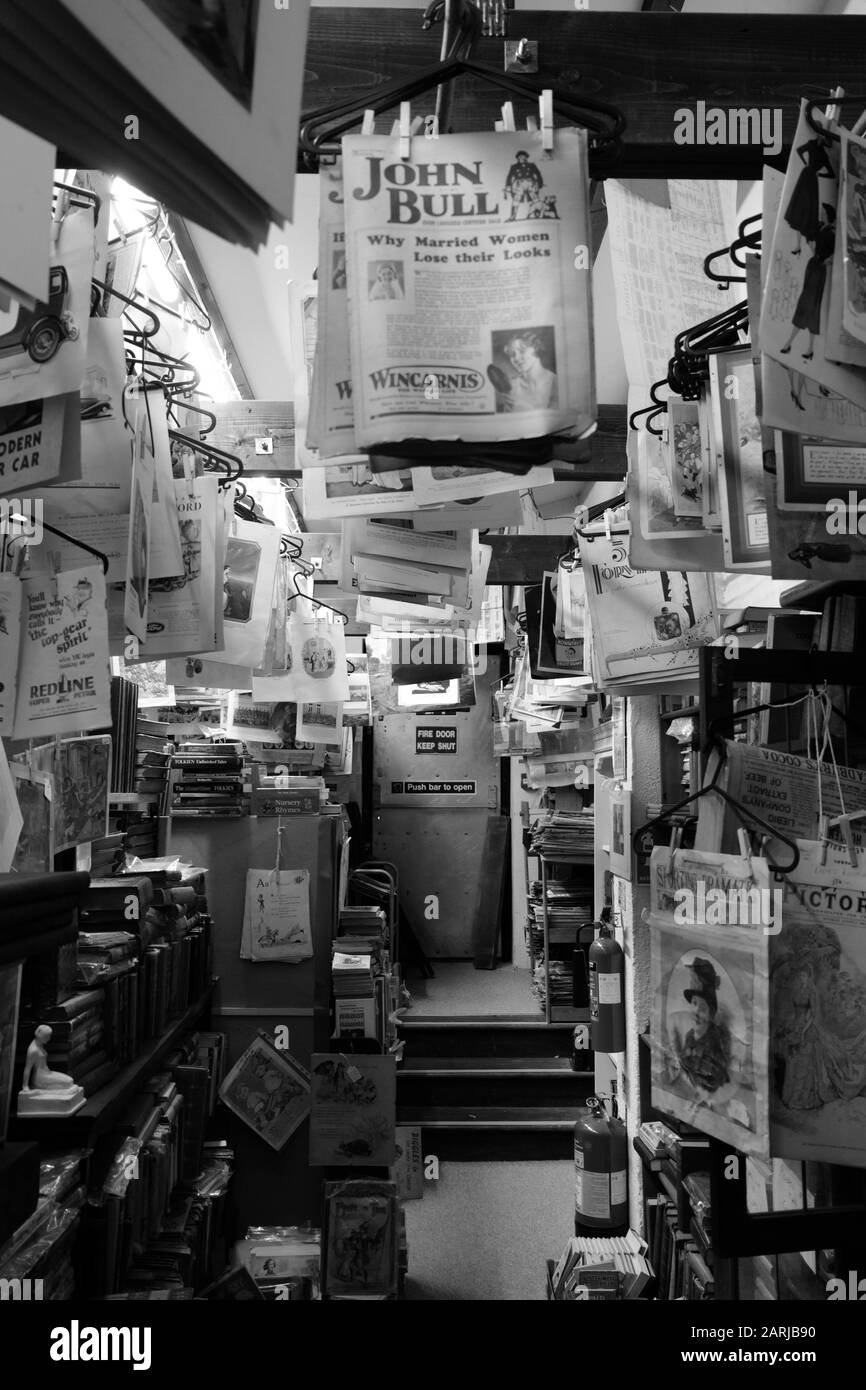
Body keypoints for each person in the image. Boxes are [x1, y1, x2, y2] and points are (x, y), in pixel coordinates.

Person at [779, 205, 836, 359]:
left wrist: (826, 260)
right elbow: (809, 235)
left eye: (823, 213)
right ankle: (803, 347)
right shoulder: (821, 227)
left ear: (829, 215)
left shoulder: (832, 233)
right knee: (806, 304)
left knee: (811, 305)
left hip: (819, 270)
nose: (821, 214)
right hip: (812, 267)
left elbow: (833, 255)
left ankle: (794, 344)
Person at [677, 958, 731, 1095]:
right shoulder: (689, 1036)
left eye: (702, 1008)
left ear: (710, 1014)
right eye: (694, 1004)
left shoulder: (715, 1039)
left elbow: (717, 1079)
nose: (696, 1012)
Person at [783, 131, 835, 254]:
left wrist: (819, 173)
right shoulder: (812, 145)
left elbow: (831, 174)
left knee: (807, 214)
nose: (820, 138)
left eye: (822, 137)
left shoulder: (823, 154)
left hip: (810, 180)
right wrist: (806, 163)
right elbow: (799, 150)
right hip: (807, 178)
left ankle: (805, 248)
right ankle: (798, 246)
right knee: (799, 211)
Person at [500, 330, 558, 410]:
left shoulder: (555, 381)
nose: (516, 358)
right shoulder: (512, 386)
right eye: (512, 354)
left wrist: (521, 406)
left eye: (521, 350)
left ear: (536, 348)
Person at [504, 150, 544, 219]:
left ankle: (538, 213)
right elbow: (509, 176)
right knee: (516, 198)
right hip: (519, 184)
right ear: (518, 158)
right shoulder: (514, 166)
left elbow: (538, 174)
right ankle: (513, 216)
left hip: (530, 183)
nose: (522, 158)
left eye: (523, 156)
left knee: (535, 197)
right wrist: (508, 186)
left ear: (526, 157)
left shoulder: (532, 165)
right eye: (520, 156)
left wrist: (540, 183)